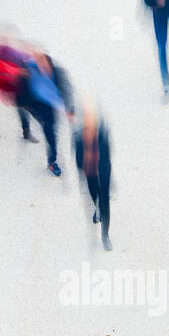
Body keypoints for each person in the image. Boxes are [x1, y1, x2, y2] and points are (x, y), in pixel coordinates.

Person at [16, 47, 75, 177]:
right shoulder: (28, 68)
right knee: (23, 111)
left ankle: (52, 161)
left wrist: (70, 110)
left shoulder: (58, 73)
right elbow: (19, 84)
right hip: (33, 103)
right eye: (37, 60)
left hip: (47, 107)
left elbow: (67, 91)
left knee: (50, 131)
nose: (40, 65)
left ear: (49, 62)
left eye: (43, 61)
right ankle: (26, 128)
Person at [73, 101, 112, 251]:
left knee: (105, 200)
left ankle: (105, 235)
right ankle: (96, 206)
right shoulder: (78, 138)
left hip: (102, 170)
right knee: (93, 194)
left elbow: (107, 154)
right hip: (89, 172)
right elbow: (77, 160)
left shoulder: (102, 134)